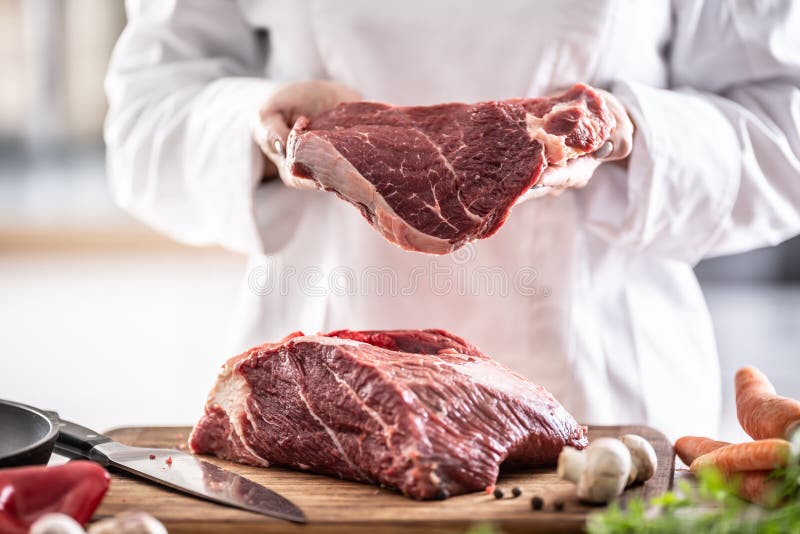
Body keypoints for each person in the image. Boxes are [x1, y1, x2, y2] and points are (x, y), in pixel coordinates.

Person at [104, 1, 800, 439]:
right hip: (320, 410)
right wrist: (258, 128)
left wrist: (630, 133)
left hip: (608, 401)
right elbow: (144, 124)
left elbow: (782, 133)